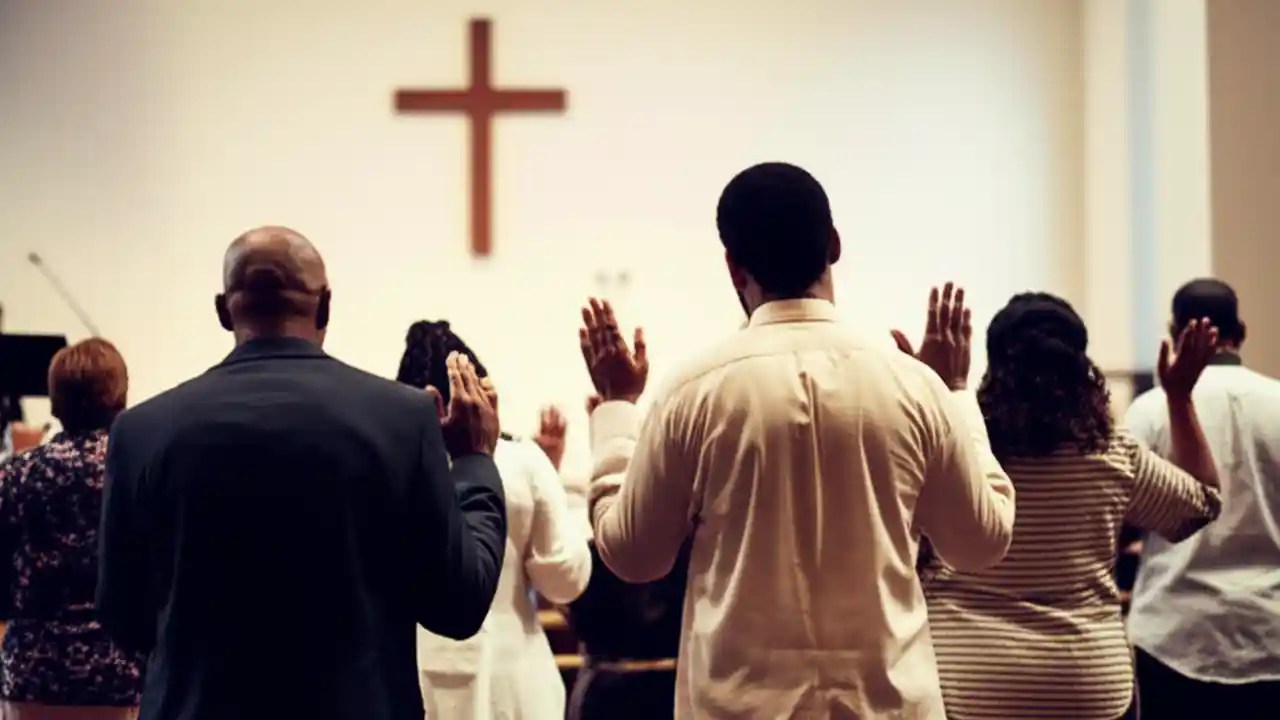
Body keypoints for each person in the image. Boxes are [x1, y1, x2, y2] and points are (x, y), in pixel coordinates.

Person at [576, 162, 1015, 718]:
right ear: (834, 244)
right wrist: (956, 394)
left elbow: (635, 556)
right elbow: (980, 543)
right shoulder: (913, 385)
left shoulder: (693, 390)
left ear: (734, 268)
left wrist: (616, 409)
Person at [97, 227, 506, 720]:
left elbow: (123, 615)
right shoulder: (402, 420)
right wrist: (474, 461)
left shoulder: (141, 431)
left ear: (223, 311)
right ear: (325, 306)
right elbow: (458, 606)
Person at [922, 292, 1224, 720]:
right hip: (1088, 686)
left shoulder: (959, 447)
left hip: (970, 688)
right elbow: (1201, 504)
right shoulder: (1114, 453)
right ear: (1082, 369)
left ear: (993, 368)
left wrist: (933, 394)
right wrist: (1179, 397)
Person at [395, 320, 591, 720]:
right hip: (512, 678)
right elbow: (564, 580)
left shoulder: (386, 461)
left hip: (411, 674)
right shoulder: (520, 459)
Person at [1125, 279, 1280, 715]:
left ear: (1174, 334)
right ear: (1241, 332)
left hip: (1173, 636)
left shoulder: (1149, 410)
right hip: (1270, 633)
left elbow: (1121, 512)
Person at [0, 339, 144, 720]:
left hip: (32, 677)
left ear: (55, 403)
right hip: (119, 676)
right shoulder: (139, 470)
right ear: (121, 398)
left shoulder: (18, 474)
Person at [532, 398, 687, 720]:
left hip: (624, 692)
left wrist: (546, 476)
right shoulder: (681, 531)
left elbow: (561, 589)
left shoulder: (676, 532)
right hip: (648, 692)